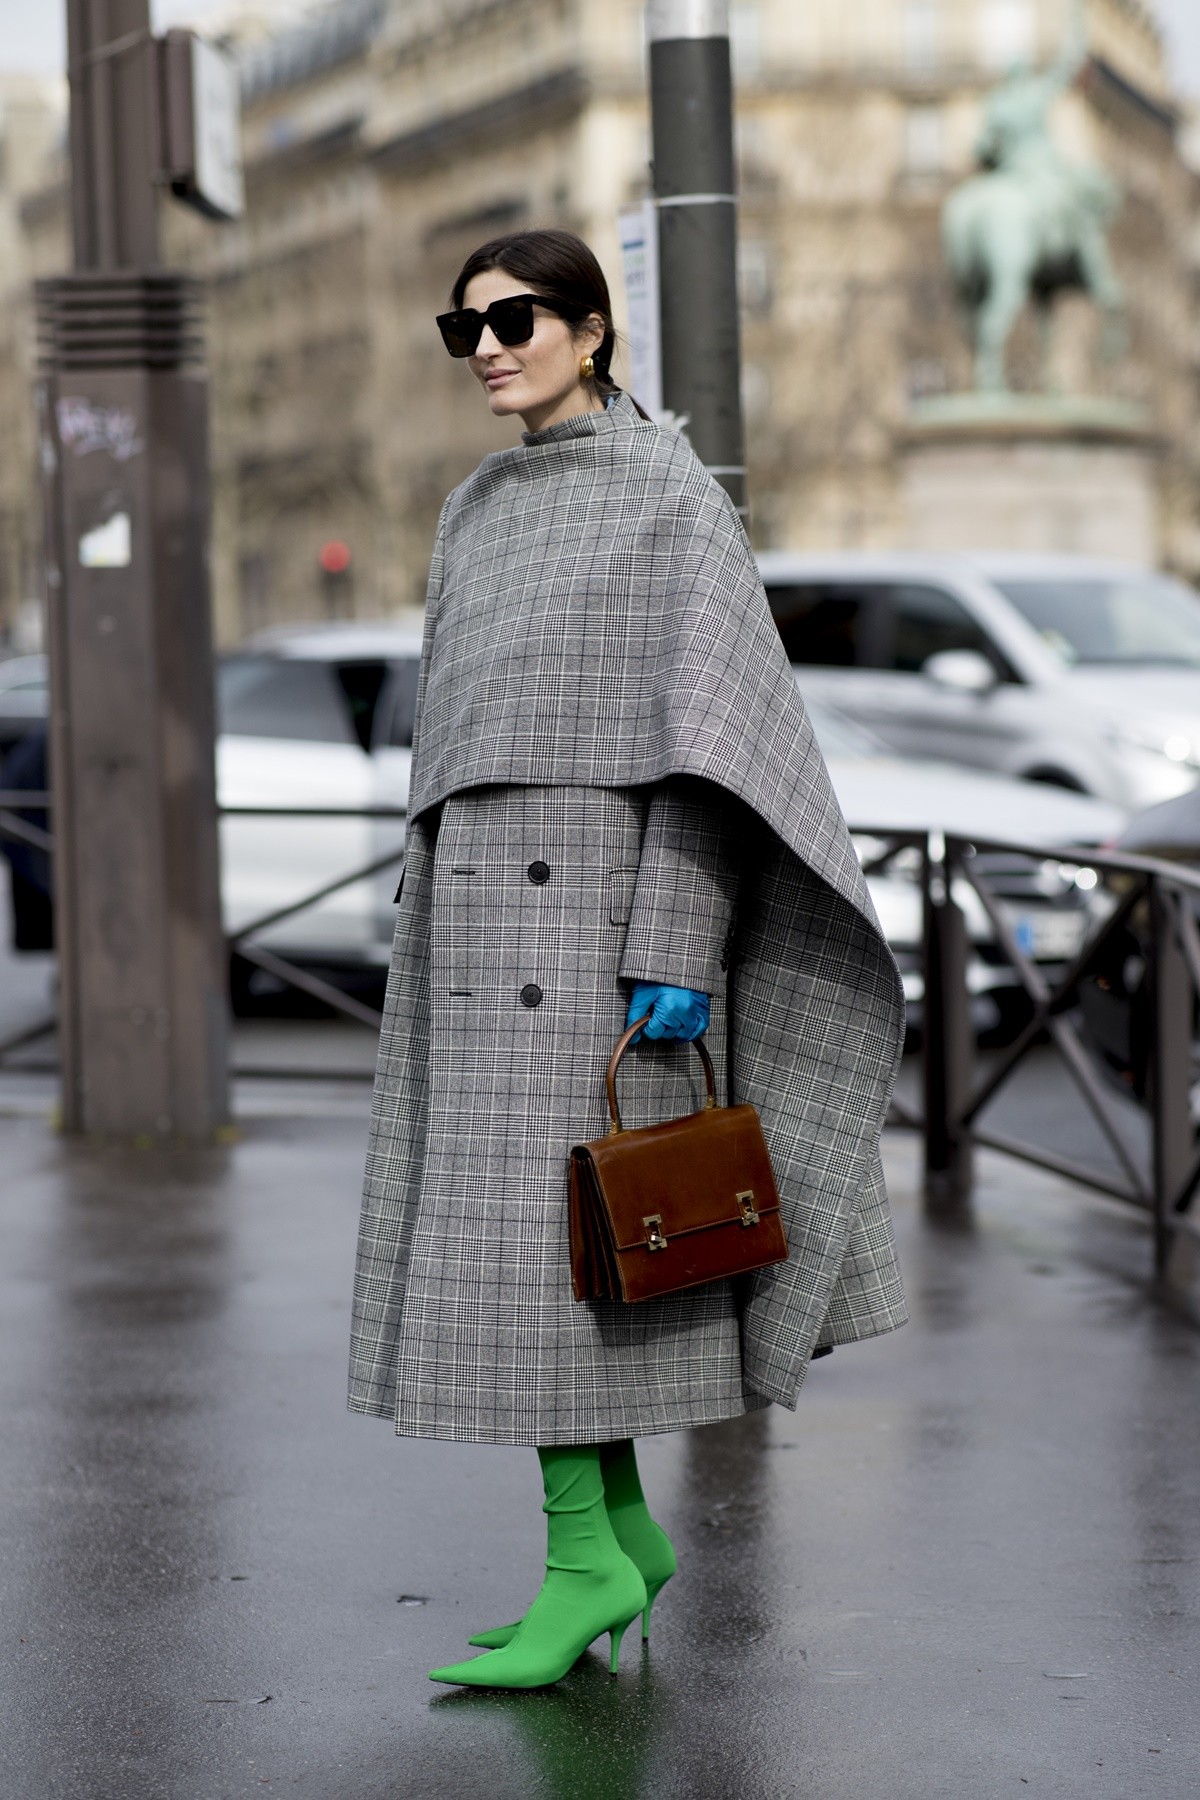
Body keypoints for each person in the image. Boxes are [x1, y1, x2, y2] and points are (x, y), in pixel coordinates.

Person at [348, 228, 906, 1690]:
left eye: (515, 318)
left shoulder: (672, 502)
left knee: (563, 1263)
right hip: (475, 926)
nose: (486, 346)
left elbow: (717, 757)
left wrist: (674, 946)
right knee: (548, 1264)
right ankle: (616, 1533)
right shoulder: (473, 510)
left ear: (592, 330)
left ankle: (581, 1560)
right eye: (460, 325)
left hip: (595, 942)